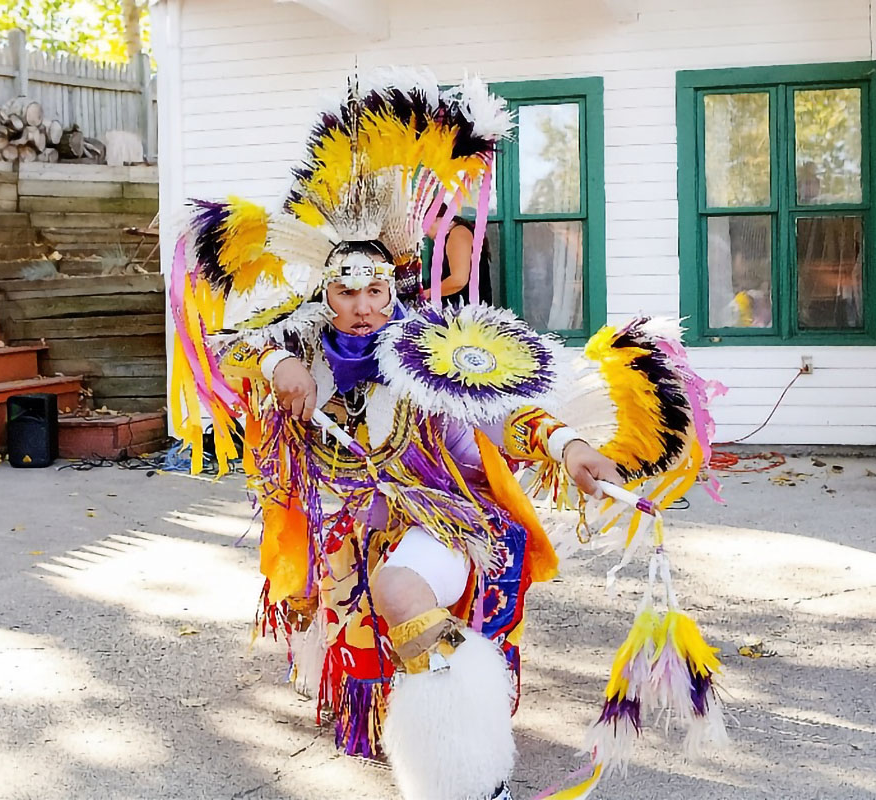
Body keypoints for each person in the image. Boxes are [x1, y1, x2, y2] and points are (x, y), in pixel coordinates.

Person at [169, 71, 726, 800]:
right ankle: (418, 727)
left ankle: (468, 773)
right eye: (347, 290)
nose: (364, 306)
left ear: (394, 287)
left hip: (444, 518)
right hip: (346, 531)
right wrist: (279, 364)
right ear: (325, 291)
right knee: (362, 669)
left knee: (401, 591)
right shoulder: (299, 344)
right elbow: (231, 346)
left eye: (376, 290)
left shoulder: (432, 349)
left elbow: (503, 413)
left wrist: (569, 448)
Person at [422, 206, 495, 306]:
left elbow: (459, 280)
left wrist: (427, 294)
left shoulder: (458, 233)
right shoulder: (449, 236)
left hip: (466, 314)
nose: (424, 232)